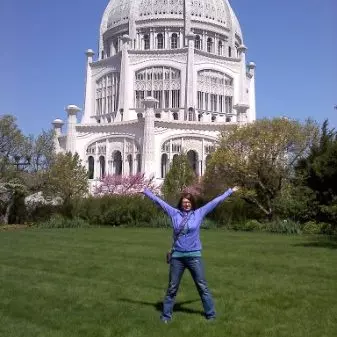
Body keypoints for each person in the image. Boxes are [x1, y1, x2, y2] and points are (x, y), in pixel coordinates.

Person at [143, 186, 239, 322]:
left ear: (192, 203)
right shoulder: (174, 213)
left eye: (188, 202)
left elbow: (215, 202)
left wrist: (229, 192)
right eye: (184, 202)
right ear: (181, 203)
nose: (186, 204)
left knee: (202, 286)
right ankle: (166, 316)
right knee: (172, 287)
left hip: (194, 256)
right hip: (177, 257)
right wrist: (146, 192)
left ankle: (211, 315)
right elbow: (160, 202)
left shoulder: (199, 213)